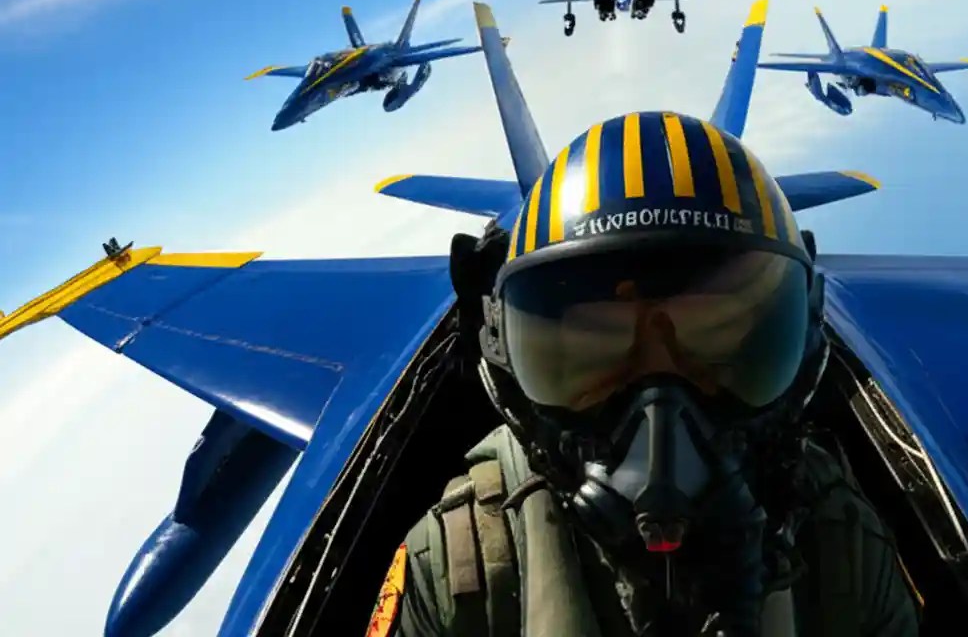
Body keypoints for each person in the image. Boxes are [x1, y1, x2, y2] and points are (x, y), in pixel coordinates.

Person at [365, 112, 921, 637]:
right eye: (599, 349)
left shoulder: (844, 546)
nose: (661, 427)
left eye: (712, 341)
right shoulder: (465, 564)